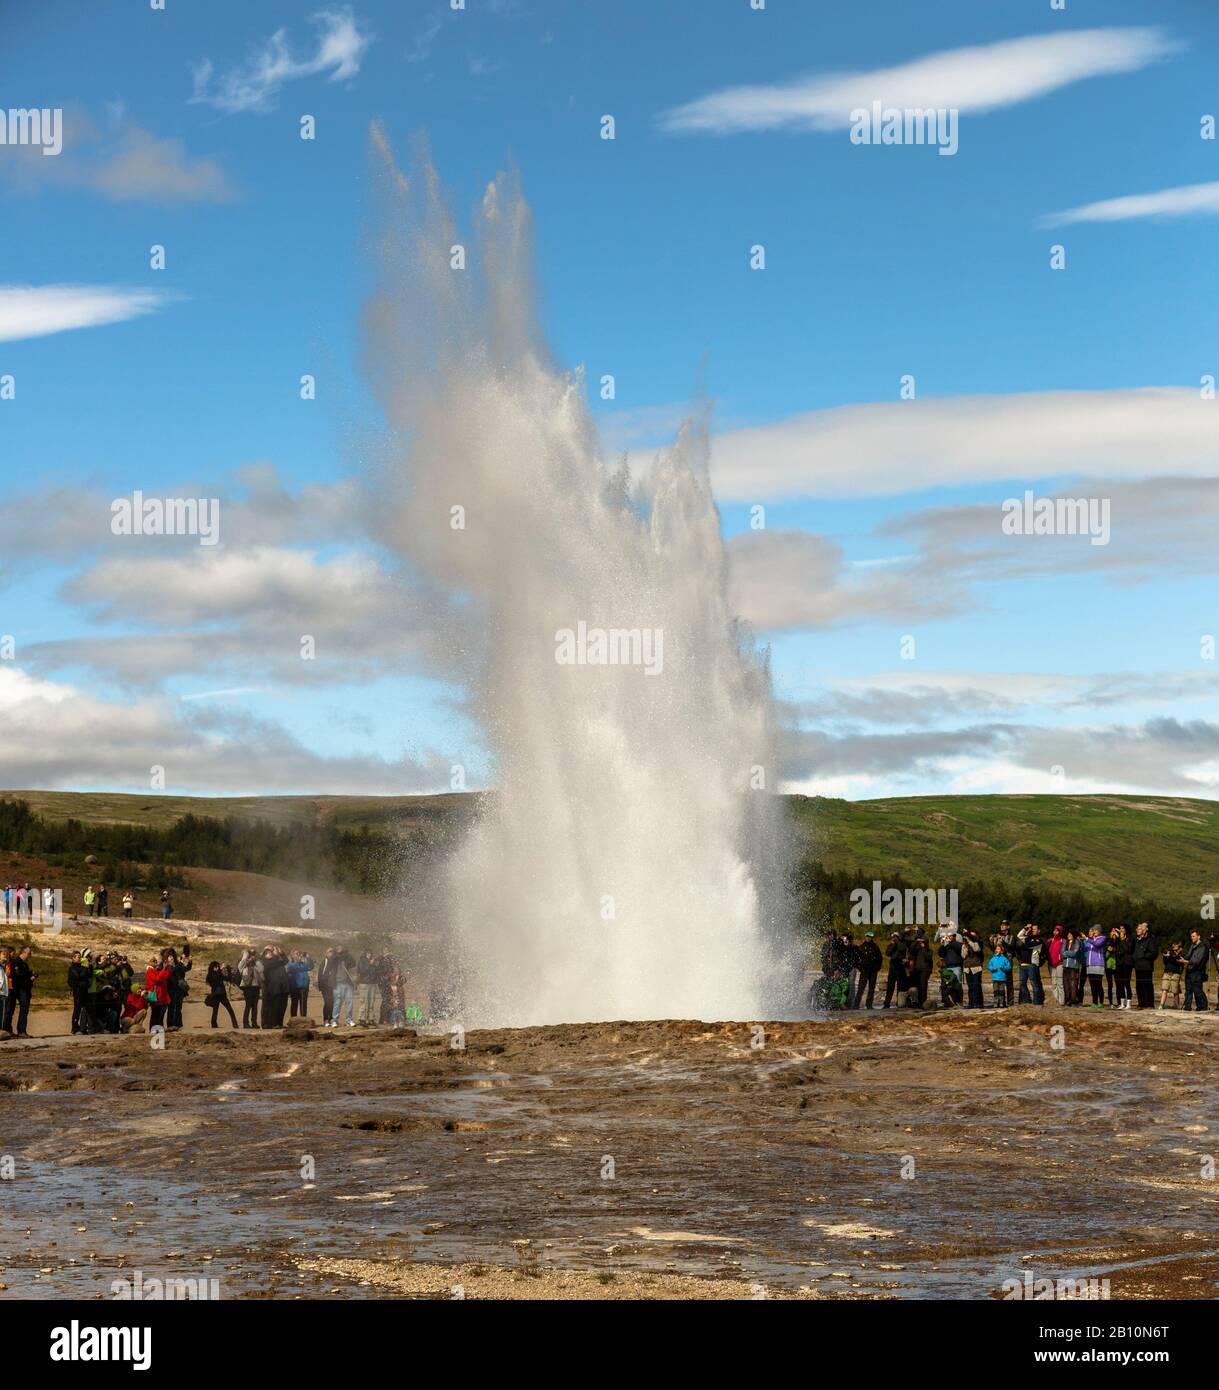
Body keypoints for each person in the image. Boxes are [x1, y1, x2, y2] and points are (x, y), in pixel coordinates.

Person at [1015, 923, 1046, 1005]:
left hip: (1032, 965)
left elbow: (1028, 945)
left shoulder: (1039, 940)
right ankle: (1027, 1000)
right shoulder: (1027, 938)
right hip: (1023, 965)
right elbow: (1018, 936)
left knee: (1034, 983)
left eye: (1034, 929)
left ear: (1039, 930)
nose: (1032, 930)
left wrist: (1025, 938)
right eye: (1031, 929)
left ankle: (1037, 1001)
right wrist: (1025, 928)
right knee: (1022, 984)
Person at [8, 945, 34, 1036]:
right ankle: (15, 1031)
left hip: (25, 989)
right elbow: (18, 977)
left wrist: (31, 976)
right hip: (19, 989)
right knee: (14, 1009)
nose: (30, 955)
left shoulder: (24, 964)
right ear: (23, 952)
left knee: (24, 1009)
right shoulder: (16, 963)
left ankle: (21, 1031)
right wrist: (30, 978)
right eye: (29, 953)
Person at [852, 931, 882, 1009]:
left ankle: (869, 1005)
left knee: (871, 989)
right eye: (867, 936)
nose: (869, 938)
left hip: (873, 972)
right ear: (865, 937)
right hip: (864, 971)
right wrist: (860, 968)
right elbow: (856, 960)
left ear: (872, 938)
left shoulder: (875, 947)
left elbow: (880, 959)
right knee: (861, 988)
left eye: (870, 937)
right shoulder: (861, 947)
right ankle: (856, 1005)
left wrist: (877, 968)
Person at [327, 948, 357, 1028]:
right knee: (337, 1003)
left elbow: (353, 963)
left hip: (348, 984)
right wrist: (336, 954)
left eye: (341, 948)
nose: (340, 949)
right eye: (338, 948)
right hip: (337, 984)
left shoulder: (347, 958)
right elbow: (330, 962)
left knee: (349, 1003)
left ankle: (349, 1020)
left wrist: (346, 953)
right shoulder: (334, 959)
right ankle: (334, 1020)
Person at [204, 960, 238, 1029]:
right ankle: (214, 1025)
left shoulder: (218, 974)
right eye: (216, 967)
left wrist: (228, 969)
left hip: (222, 995)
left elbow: (228, 979)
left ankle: (235, 1025)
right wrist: (221, 969)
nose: (217, 968)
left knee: (230, 1010)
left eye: (218, 967)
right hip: (216, 995)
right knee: (215, 1011)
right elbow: (215, 978)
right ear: (213, 967)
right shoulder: (210, 975)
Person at [1132, 922, 1158, 1009]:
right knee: (1139, 985)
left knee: (1147, 985)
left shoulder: (1150, 939)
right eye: (1140, 926)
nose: (1141, 927)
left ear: (1147, 929)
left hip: (1146, 966)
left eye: (1143, 926)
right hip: (1138, 966)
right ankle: (1141, 1003)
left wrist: (1143, 956)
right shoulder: (1137, 939)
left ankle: (1150, 1004)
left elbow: (1154, 953)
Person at [1183, 930, 1209, 1012]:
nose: (1192, 938)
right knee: (1188, 990)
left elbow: (1197, 961)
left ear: (1198, 936)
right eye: (1191, 936)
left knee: (1197, 990)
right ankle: (1187, 1007)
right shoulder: (1192, 945)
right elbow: (1188, 955)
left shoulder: (1203, 947)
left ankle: (1203, 1006)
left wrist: (1186, 962)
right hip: (1190, 970)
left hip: (1197, 971)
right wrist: (1180, 957)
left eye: (1193, 936)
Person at [938, 927, 964, 1007]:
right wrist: (942, 945)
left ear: (954, 936)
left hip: (956, 967)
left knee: (957, 985)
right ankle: (950, 1002)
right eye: (948, 936)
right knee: (948, 986)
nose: (948, 938)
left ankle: (959, 1002)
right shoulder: (947, 946)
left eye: (950, 936)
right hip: (948, 968)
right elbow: (941, 954)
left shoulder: (958, 944)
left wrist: (951, 942)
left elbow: (958, 948)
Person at [961, 927, 986, 1009]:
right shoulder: (964, 944)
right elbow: (963, 955)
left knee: (977, 986)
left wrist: (970, 941)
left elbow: (977, 949)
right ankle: (971, 1003)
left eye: (972, 935)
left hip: (976, 967)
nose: (971, 937)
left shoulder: (978, 943)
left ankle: (978, 1003)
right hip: (967, 968)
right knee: (970, 987)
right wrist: (965, 945)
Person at [67, 949, 90, 1034]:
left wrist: (87, 970)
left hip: (84, 991)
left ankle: (83, 1027)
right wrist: (85, 970)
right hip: (77, 991)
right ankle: (74, 1028)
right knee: (77, 1010)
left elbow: (87, 978)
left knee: (85, 1009)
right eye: (77, 957)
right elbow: (78, 976)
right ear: (73, 958)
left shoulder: (82, 967)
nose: (79, 959)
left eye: (80, 957)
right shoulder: (72, 968)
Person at [145, 956, 171, 1030]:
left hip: (160, 995)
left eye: (156, 961)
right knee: (156, 1014)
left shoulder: (155, 970)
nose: (155, 962)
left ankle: (158, 1028)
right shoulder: (150, 971)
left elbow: (165, 976)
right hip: (155, 995)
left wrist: (167, 968)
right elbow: (157, 979)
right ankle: (154, 1028)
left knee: (159, 1014)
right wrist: (164, 969)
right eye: (153, 961)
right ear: (149, 963)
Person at [238, 947, 262, 1028]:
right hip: (247, 987)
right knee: (248, 1005)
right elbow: (241, 963)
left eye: (254, 955)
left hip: (256, 987)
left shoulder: (257, 964)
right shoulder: (243, 965)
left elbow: (261, 969)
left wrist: (256, 961)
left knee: (255, 1006)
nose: (252, 956)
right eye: (251, 955)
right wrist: (246, 955)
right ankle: (246, 1023)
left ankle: (254, 1023)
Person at [286, 951, 315, 1018]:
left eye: (299, 953)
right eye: (296, 954)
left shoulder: (303, 964)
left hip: (304, 986)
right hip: (295, 986)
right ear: (292, 956)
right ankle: (293, 1019)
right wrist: (298, 961)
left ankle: (303, 1019)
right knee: (294, 1003)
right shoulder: (291, 964)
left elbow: (311, 967)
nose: (299, 955)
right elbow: (294, 968)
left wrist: (308, 958)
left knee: (303, 1004)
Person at [1112, 925, 1134, 1010]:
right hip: (1119, 963)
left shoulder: (1130, 938)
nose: (1121, 930)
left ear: (1126, 930)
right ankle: (1122, 1003)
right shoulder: (1118, 939)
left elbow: (1128, 949)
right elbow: (1114, 947)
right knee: (1120, 983)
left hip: (1127, 963)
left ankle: (1128, 1003)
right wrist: (1114, 938)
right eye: (1120, 929)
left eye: (1122, 928)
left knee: (1126, 982)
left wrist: (1122, 940)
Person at [882, 931, 906, 1008]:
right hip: (893, 965)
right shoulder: (892, 944)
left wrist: (897, 942)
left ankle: (899, 1003)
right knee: (890, 986)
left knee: (900, 986)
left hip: (900, 965)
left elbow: (902, 949)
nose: (894, 938)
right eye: (893, 937)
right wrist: (893, 944)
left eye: (895, 937)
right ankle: (887, 1003)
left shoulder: (902, 943)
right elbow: (887, 953)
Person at [1159, 942, 1185, 1010]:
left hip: (1175, 974)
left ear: (1180, 949)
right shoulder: (1170, 953)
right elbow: (1165, 962)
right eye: (1173, 947)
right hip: (1167, 973)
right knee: (1164, 989)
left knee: (1175, 991)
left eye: (1176, 947)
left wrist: (1169, 957)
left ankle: (1176, 1005)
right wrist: (1165, 956)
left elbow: (1176, 961)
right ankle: (1161, 1005)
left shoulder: (1182, 955)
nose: (1174, 948)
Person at [1061, 929, 1084, 1007]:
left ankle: (1074, 1001)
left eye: (1070, 934)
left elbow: (1075, 953)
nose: (1068, 936)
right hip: (1065, 966)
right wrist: (1067, 953)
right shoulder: (1065, 942)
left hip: (1074, 966)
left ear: (1073, 935)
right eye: (1068, 934)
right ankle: (1067, 1000)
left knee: (1073, 984)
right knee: (1066, 984)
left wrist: (1066, 953)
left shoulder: (1077, 942)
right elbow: (1061, 953)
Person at [1047, 926, 1065, 1005]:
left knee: (1060, 983)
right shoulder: (1050, 940)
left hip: (1060, 964)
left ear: (1060, 932)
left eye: (1057, 930)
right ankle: (1056, 1000)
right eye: (1054, 930)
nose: (1055, 932)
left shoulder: (1063, 941)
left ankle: (1061, 1001)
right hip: (1051, 964)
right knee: (1053, 983)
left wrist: (1061, 959)